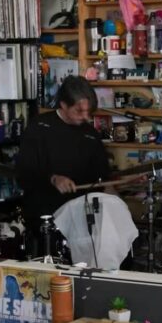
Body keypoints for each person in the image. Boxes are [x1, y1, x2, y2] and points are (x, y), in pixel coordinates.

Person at [16, 76, 111, 256]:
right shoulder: (39, 127)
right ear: (63, 105)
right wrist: (53, 178)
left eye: (88, 111)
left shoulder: (90, 135)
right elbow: (23, 173)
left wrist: (119, 195)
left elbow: (102, 178)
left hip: (81, 217)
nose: (86, 117)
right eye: (79, 111)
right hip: (45, 216)